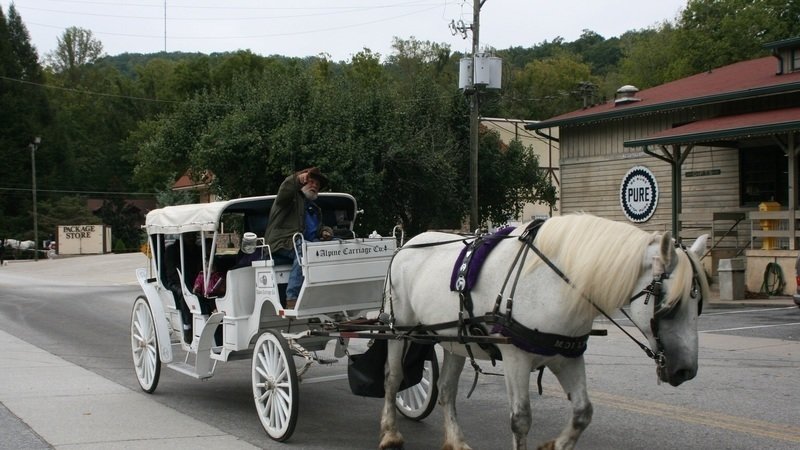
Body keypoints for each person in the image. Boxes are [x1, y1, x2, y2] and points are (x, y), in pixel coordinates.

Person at [264, 167, 333, 308]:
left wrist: (326, 232)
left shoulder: (314, 209)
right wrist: (296, 179)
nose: (314, 186)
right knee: (304, 249)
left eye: (317, 185)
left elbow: (318, 229)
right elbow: (286, 188)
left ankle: (330, 292)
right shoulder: (288, 200)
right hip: (281, 243)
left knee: (338, 245)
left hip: (305, 243)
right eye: (311, 181)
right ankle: (292, 297)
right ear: (303, 183)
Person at [164, 232, 202, 344]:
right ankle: (187, 326)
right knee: (184, 293)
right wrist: (186, 284)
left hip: (194, 280)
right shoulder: (172, 250)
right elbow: (172, 272)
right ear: (183, 235)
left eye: (193, 235)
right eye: (189, 235)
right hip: (176, 282)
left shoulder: (198, 249)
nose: (192, 238)